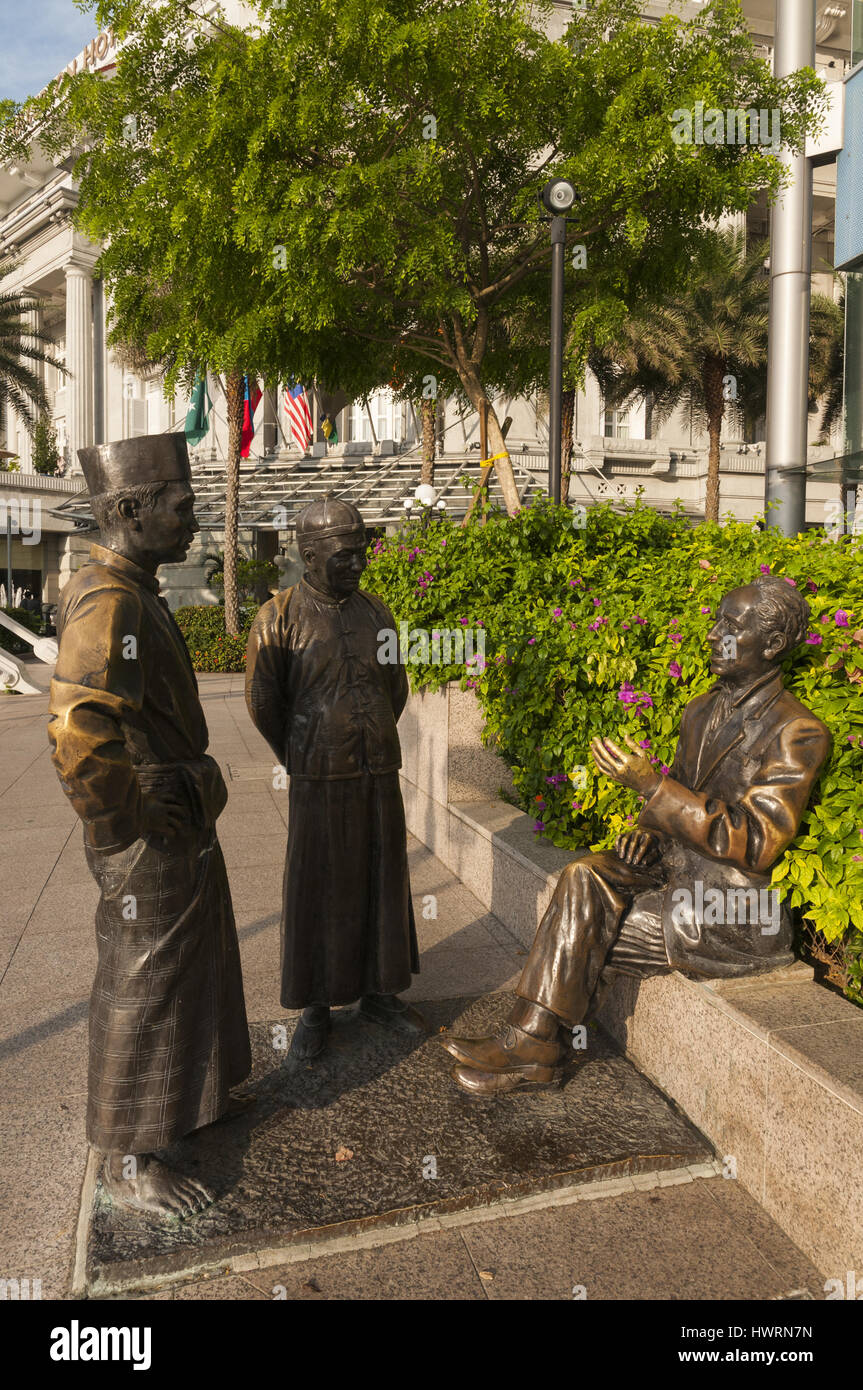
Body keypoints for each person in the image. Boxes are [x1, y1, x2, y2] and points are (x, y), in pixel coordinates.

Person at [441, 575, 831, 1096]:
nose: (713, 634)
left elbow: (757, 842)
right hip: (676, 868)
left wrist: (651, 786)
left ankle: (532, 1047)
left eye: (730, 626)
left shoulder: (797, 731)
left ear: (774, 643)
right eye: (716, 621)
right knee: (583, 875)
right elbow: (680, 801)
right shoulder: (700, 709)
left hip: (729, 904)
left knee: (584, 930)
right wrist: (648, 833)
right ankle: (531, 1044)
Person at [48, 434, 251, 1217]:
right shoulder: (109, 598)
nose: (195, 522)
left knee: (193, 966)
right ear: (130, 509)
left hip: (176, 813)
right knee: (145, 980)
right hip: (151, 826)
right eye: (183, 506)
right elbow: (77, 729)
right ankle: (127, 1158)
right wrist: (127, 815)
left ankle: (190, 1104)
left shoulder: (133, 587)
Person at [244, 496, 422, 1059]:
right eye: (345, 555)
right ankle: (316, 1006)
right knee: (319, 885)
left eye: (361, 552)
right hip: (318, 775)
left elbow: (396, 687)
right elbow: (263, 700)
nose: (358, 564)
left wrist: (370, 734)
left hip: (378, 768)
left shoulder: (377, 611)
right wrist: (302, 748)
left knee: (382, 877)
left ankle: (381, 990)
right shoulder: (277, 617)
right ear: (310, 555)